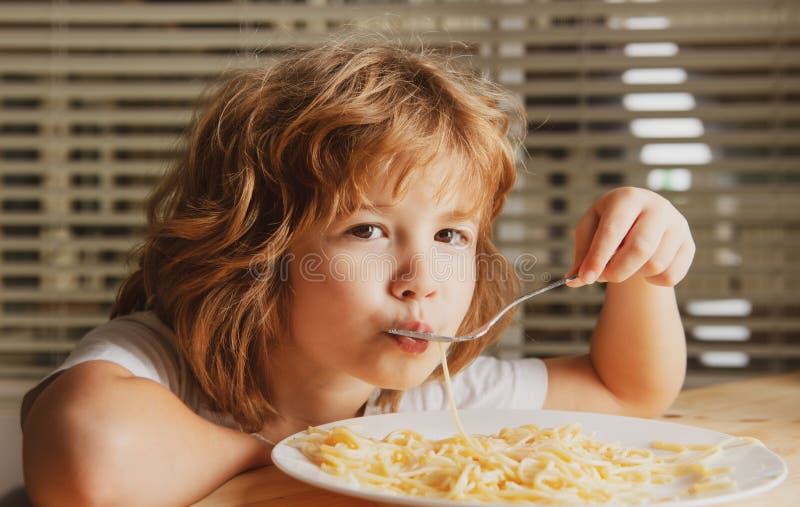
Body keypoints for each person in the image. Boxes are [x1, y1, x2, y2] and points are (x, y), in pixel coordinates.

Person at [20, 37, 694, 507]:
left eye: (451, 234)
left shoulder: (420, 402)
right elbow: (87, 460)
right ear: (260, 251)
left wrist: (641, 271)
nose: (421, 277)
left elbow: (627, 391)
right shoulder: (159, 359)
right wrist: (272, 449)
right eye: (368, 229)